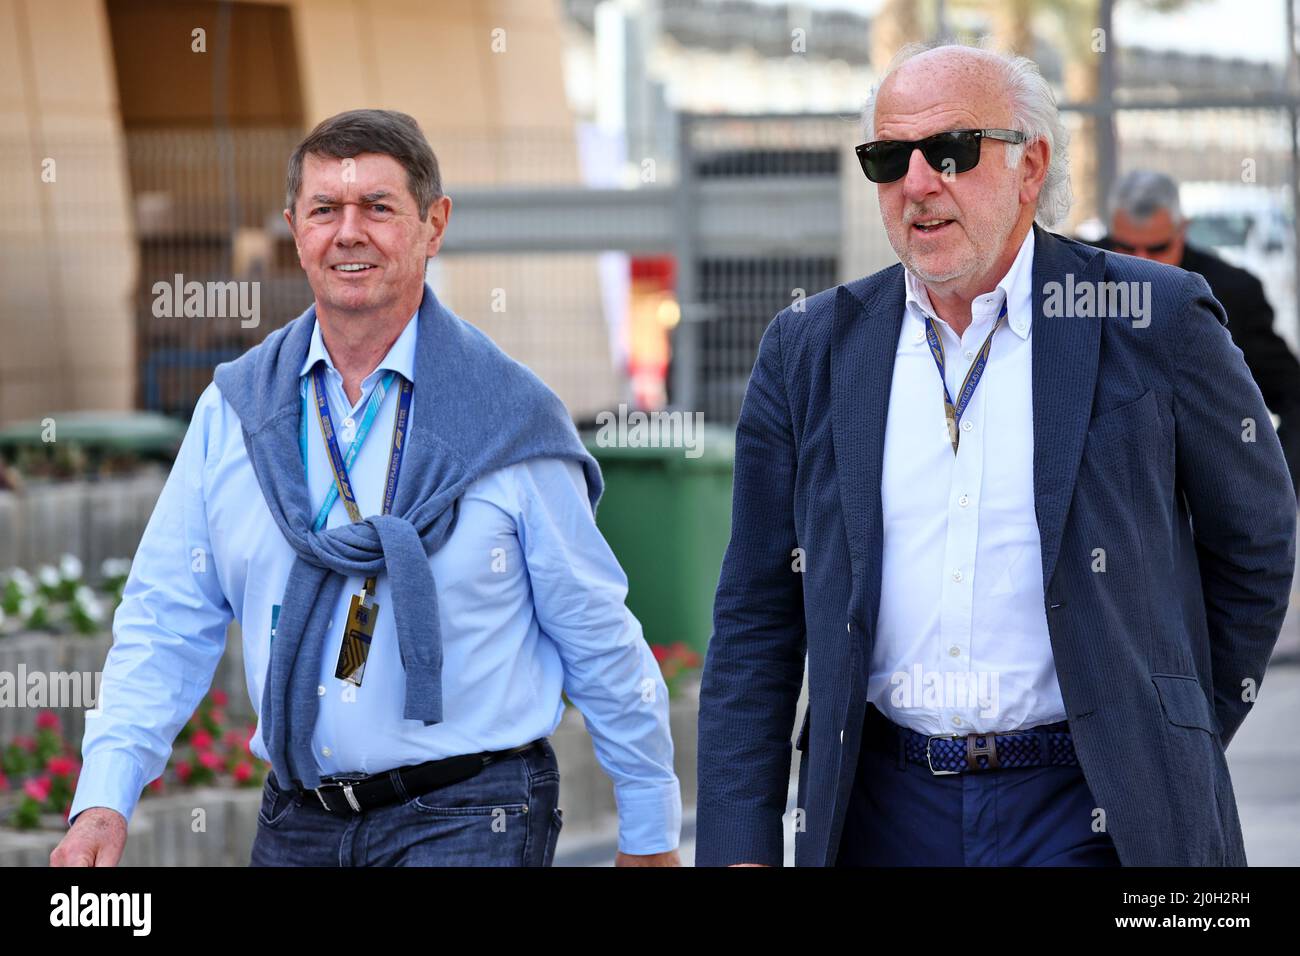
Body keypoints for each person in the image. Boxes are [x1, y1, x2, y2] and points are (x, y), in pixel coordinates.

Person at [696, 42, 1296, 867]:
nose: (917, 184)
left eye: (951, 151)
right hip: (880, 814)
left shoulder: (1154, 318)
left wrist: (1165, 727)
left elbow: (1257, 541)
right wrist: (738, 846)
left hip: (1088, 813)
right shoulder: (809, 351)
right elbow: (757, 617)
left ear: (1029, 164)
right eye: (887, 159)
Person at [52, 109, 681, 867]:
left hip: (468, 818)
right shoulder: (239, 412)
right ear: (295, 228)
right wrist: (103, 798)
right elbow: (165, 617)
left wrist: (649, 835)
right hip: (299, 825)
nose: (348, 232)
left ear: (434, 224)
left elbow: (595, 633)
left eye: (378, 208)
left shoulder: (507, 421)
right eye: (325, 210)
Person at [1094, 169, 1300, 499]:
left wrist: (1275, 486)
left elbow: (1292, 393)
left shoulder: (1232, 292)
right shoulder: (1076, 280)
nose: (1140, 263)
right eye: (1125, 247)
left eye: (1158, 248)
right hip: (1105, 491)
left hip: (1201, 494)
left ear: (1183, 231)